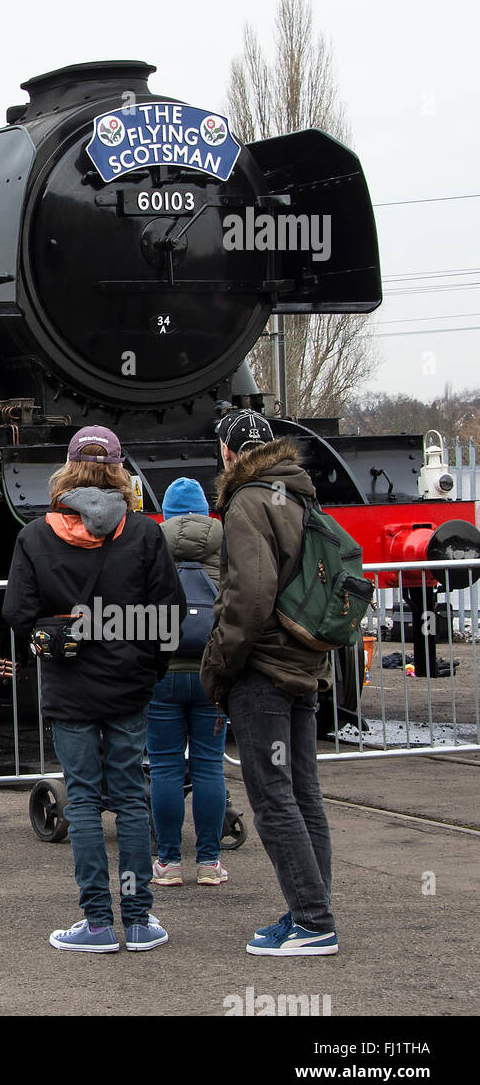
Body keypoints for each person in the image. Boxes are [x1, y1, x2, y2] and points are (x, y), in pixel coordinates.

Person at [3, 426, 184, 952]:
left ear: (67, 468)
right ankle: (141, 919)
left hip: (68, 687)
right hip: (128, 686)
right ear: (120, 470)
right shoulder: (145, 533)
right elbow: (170, 613)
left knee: (82, 800)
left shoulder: (35, 535)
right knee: (130, 798)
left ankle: (98, 923)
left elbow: (16, 612)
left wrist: (56, 633)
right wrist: (147, 667)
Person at [200, 409, 339, 956]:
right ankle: (312, 908)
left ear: (230, 454)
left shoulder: (246, 502)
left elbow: (248, 596)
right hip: (304, 662)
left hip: (262, 668)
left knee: (274, 798)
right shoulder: (301, 497)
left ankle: (312, 921)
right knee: (304, 794)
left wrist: (219, 661)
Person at [149, 476, 229, 887]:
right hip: (210, 671)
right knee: (209, 766)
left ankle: (168, 862)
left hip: (162, 672)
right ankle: (210, 863)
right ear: (204, 510)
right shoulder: (225, 538)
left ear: (167, 512)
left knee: (164, 766)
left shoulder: (151, 540)